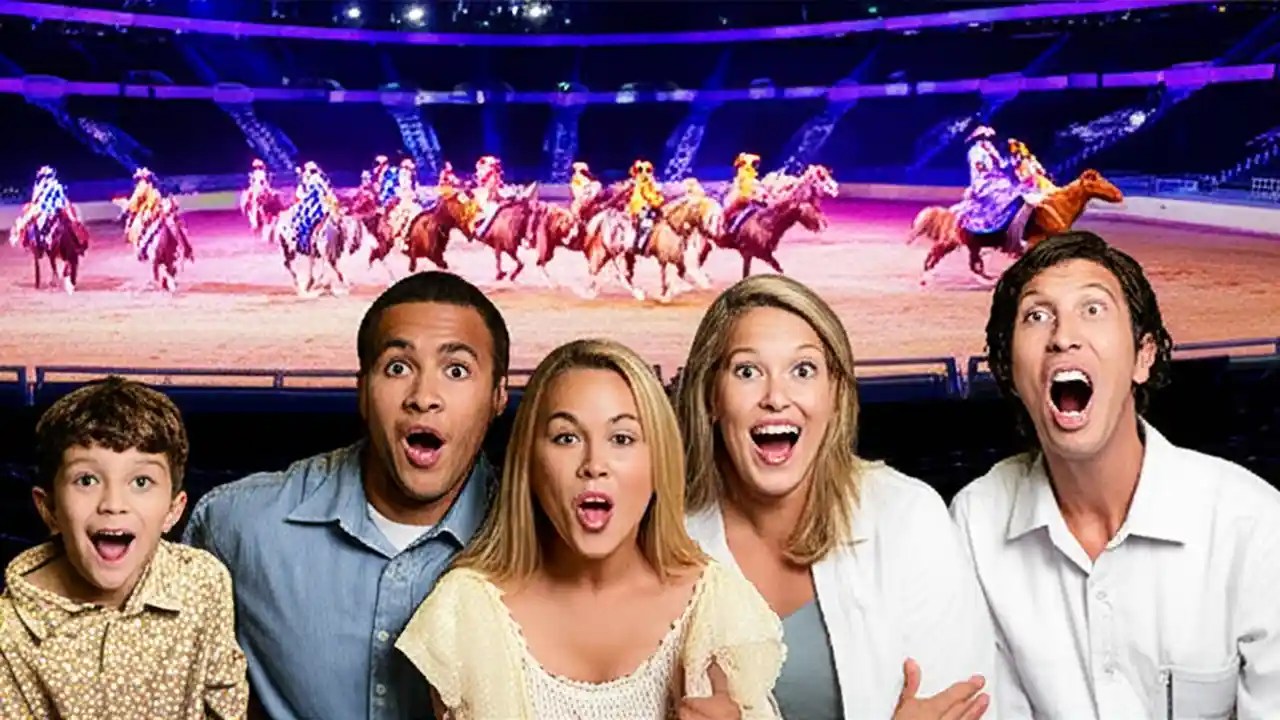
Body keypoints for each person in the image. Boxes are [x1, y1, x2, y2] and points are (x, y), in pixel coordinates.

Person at [950, 231, 1280, 719]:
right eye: (1036, 316)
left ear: (1143, 357)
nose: (1063, 336)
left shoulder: (1254, 524)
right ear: (1009, 372)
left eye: (1093, 309)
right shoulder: (975, 523)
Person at [397, 338, 785, 719]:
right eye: (566, 438)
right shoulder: (464, 614)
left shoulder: (717, 605)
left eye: (622, 438)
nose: (594, 464)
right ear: (529, 463)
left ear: (658, 462)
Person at [183, 271, 511, 720]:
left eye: (456, 371)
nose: (424, 397)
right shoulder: (237, 526)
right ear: (362, 390)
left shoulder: (539, 539)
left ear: (498, 397)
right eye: (398, 367)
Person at [675, 273, 996, 720]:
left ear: (835, 393)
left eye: (802, 370)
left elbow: (968, 708)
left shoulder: (907, 517)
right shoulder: (669, 540)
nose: (775, 398)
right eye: (747, 371)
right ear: (712, 396)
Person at [0, 377, 248, 719]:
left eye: (141, 482)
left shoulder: (203, 583)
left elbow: (225, 703)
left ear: (173, 510)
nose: (114, 504)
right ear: (49, 509)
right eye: (86, 480)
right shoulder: (9, 632)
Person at [626, 158, 665, 254]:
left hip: (647, 204)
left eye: (650, 170)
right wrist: (657, 200)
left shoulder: (646, 180)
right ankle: (638, 246)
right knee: (645, 225)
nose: (649, 173)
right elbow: (648, 195)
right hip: (641, 206)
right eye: (648, 170)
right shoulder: (644, 180)